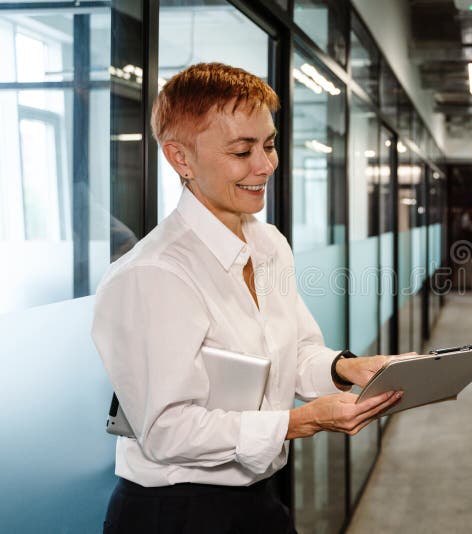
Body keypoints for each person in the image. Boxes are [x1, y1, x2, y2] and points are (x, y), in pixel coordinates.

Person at [92, 62, 403, 534]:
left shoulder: (269, 244)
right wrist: (300, 422)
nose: (265, 165)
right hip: (175, 514)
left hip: (256, 499)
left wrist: (346, 368)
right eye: (242, 151)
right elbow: (166, 430)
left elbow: (295, 351)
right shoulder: (151, 275)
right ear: (181, 158)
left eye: (270, 144)